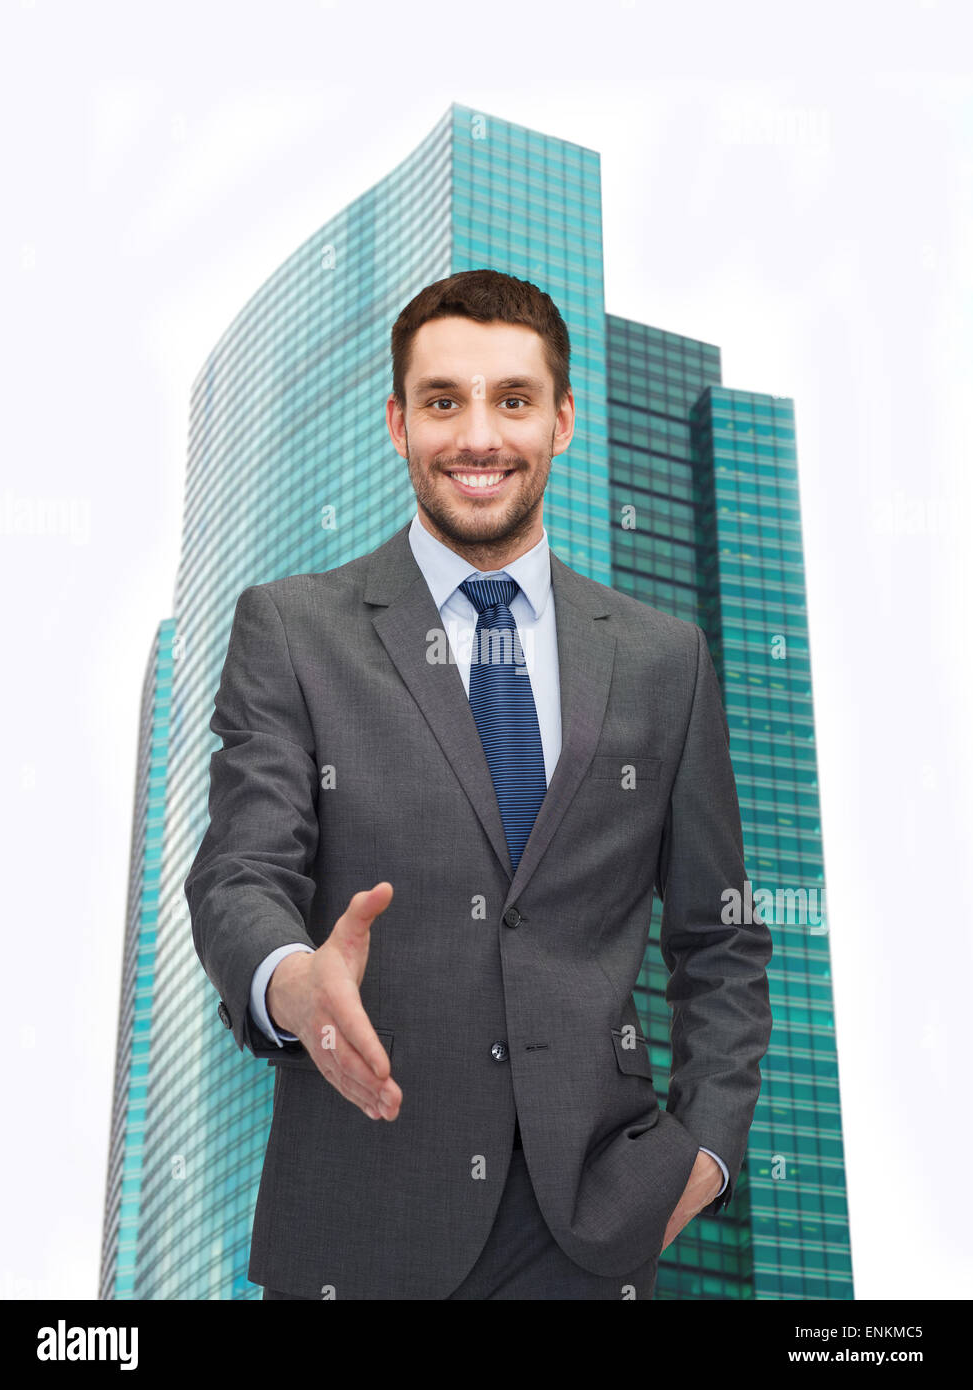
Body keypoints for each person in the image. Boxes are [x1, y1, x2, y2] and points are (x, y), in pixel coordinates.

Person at [185, 268, 773, 1300]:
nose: (478, 436)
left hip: (588, 1231)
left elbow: (717, 936)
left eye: (512, 399)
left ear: (562, 420)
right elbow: (239, 872)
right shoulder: (292, 629)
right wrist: (293, 982)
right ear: (398, 424)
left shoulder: (662, 660)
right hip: (358, 1221)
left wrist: (705, 1156)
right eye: (442, 400)